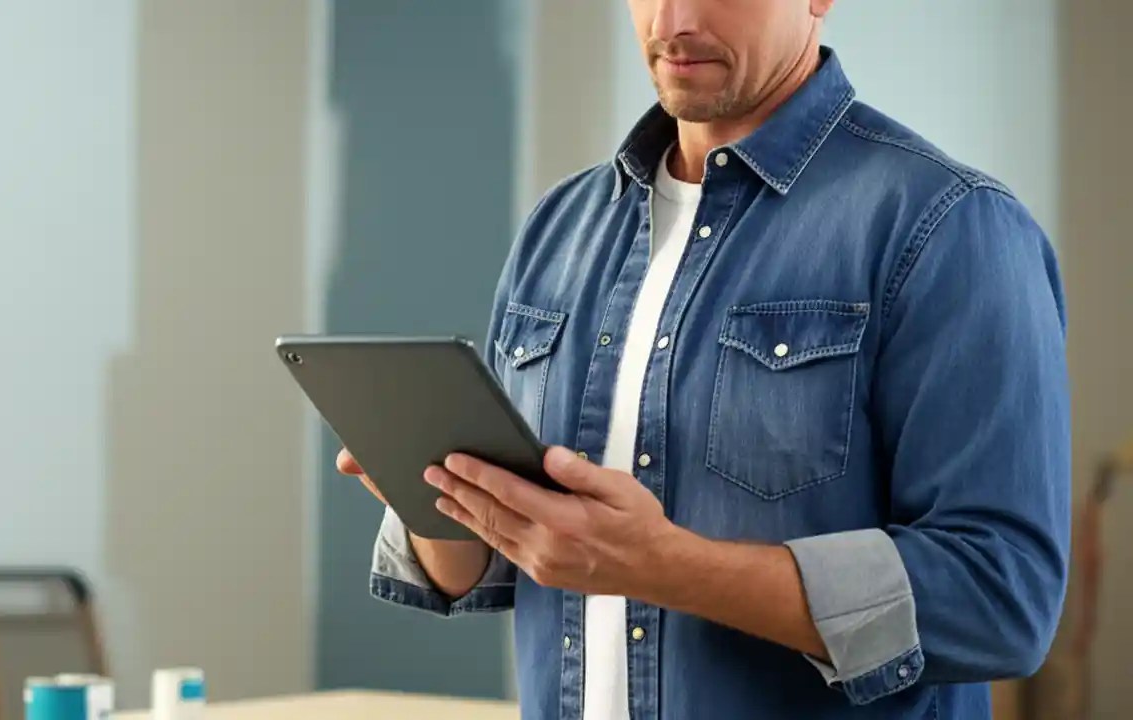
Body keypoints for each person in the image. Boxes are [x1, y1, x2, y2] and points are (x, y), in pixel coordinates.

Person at [338, 1, 1071, 718]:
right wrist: (434, 494)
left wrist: (664, 568)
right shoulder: (560, 227)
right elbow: (495, 566)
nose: (672, 22)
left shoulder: (949, 225)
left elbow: (1000, 598)